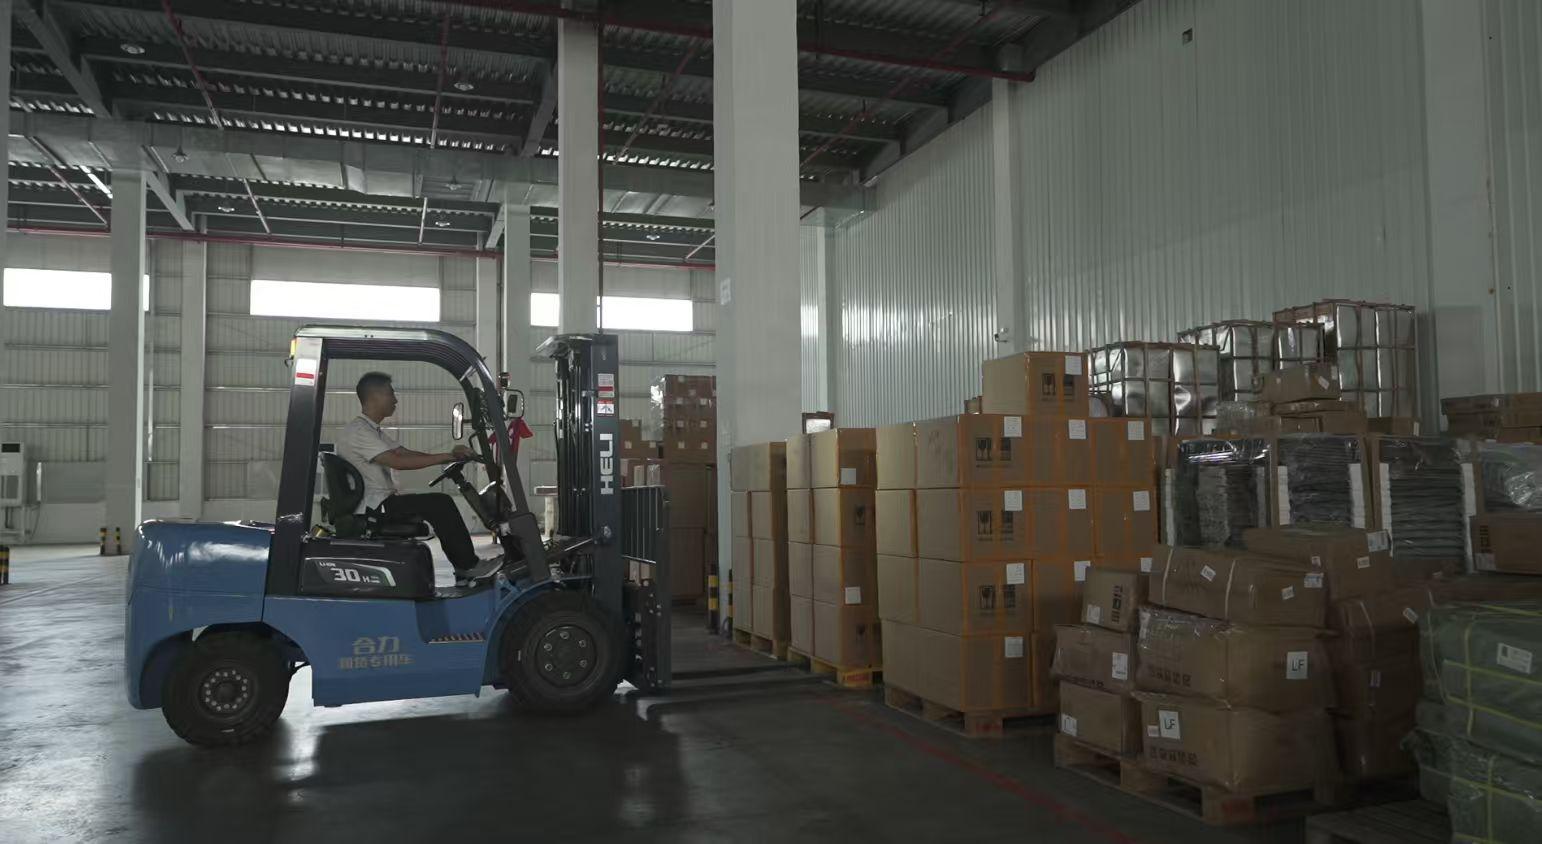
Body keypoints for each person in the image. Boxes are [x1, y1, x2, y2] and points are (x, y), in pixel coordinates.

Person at [337, 371, 483, 573]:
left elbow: (402, 452)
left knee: (438, 503)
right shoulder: (359, 432)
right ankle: (468, 567)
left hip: (379, 503)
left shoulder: (368, 429)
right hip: (375, 508)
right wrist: (446, 457)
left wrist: (449, 455)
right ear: (374, 397)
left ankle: (465, 567)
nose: (395, 400)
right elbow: (397, 461)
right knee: (440, 503)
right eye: (390, 393)